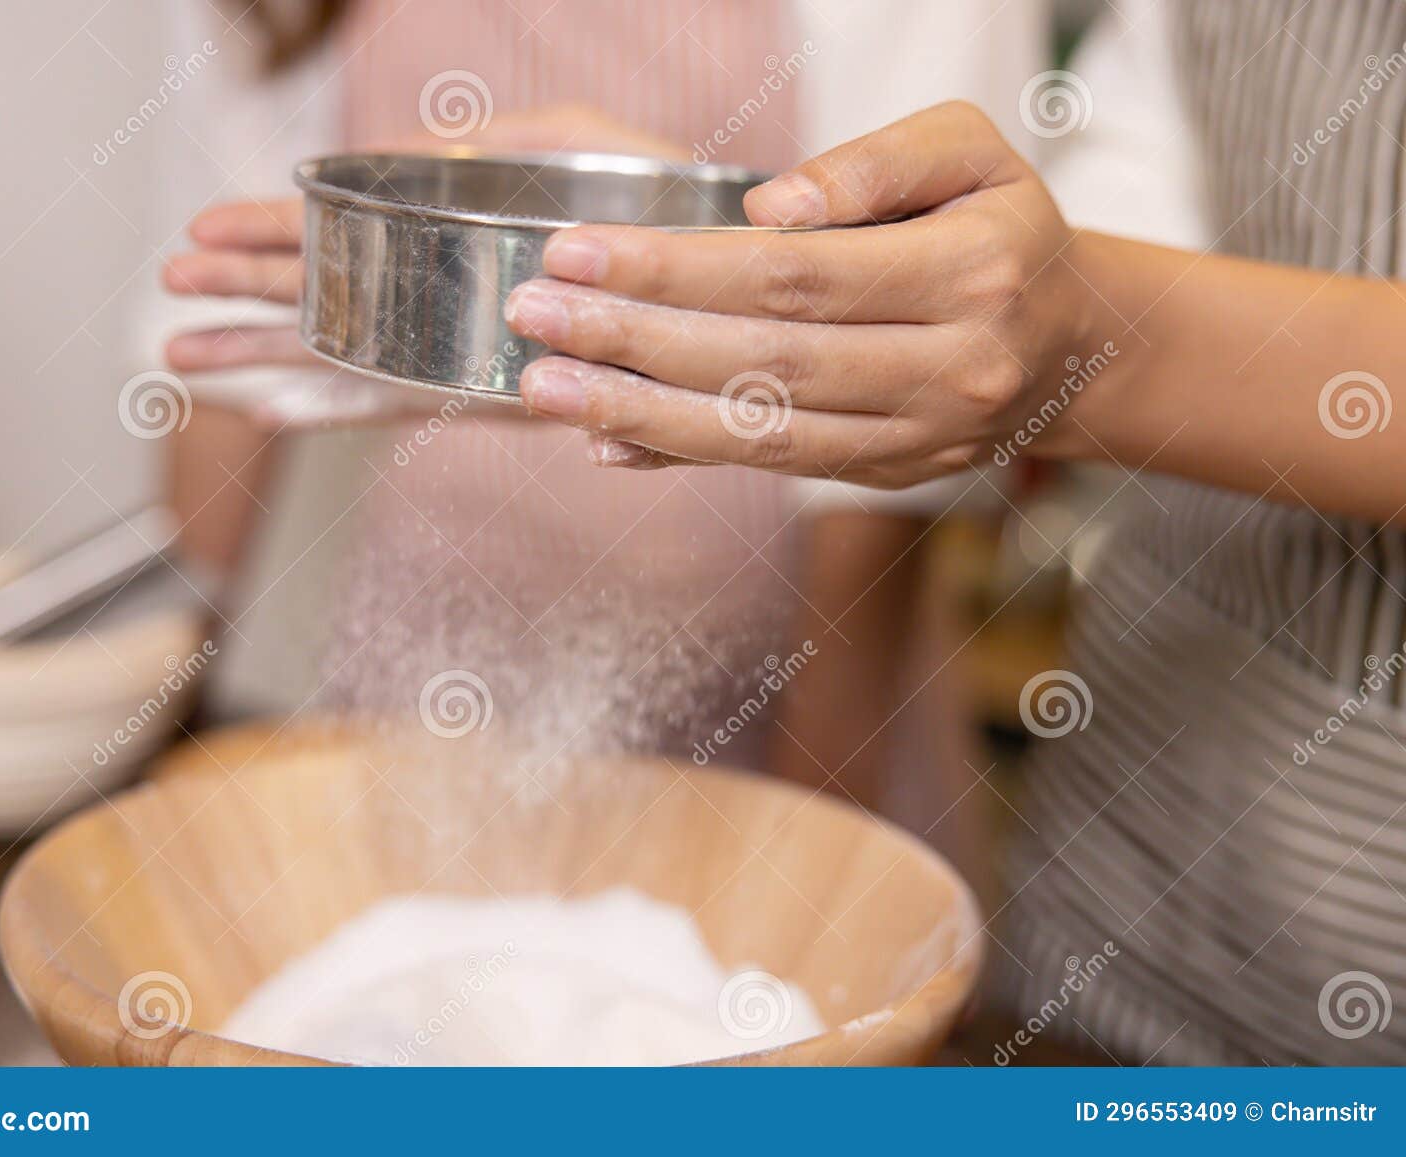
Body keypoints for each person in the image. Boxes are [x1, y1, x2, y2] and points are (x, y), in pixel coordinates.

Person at [500, 1, 1406, 1064]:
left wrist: (1089, 342)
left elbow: (1104, 312)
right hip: (1127, 862)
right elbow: (1153, 165)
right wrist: (754, 256)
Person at [154, 0, 1053, 878]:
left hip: (794, 677)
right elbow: (236, 328)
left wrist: (807, 840)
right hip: (430, 652)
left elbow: (896, 381)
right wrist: (158, 691)